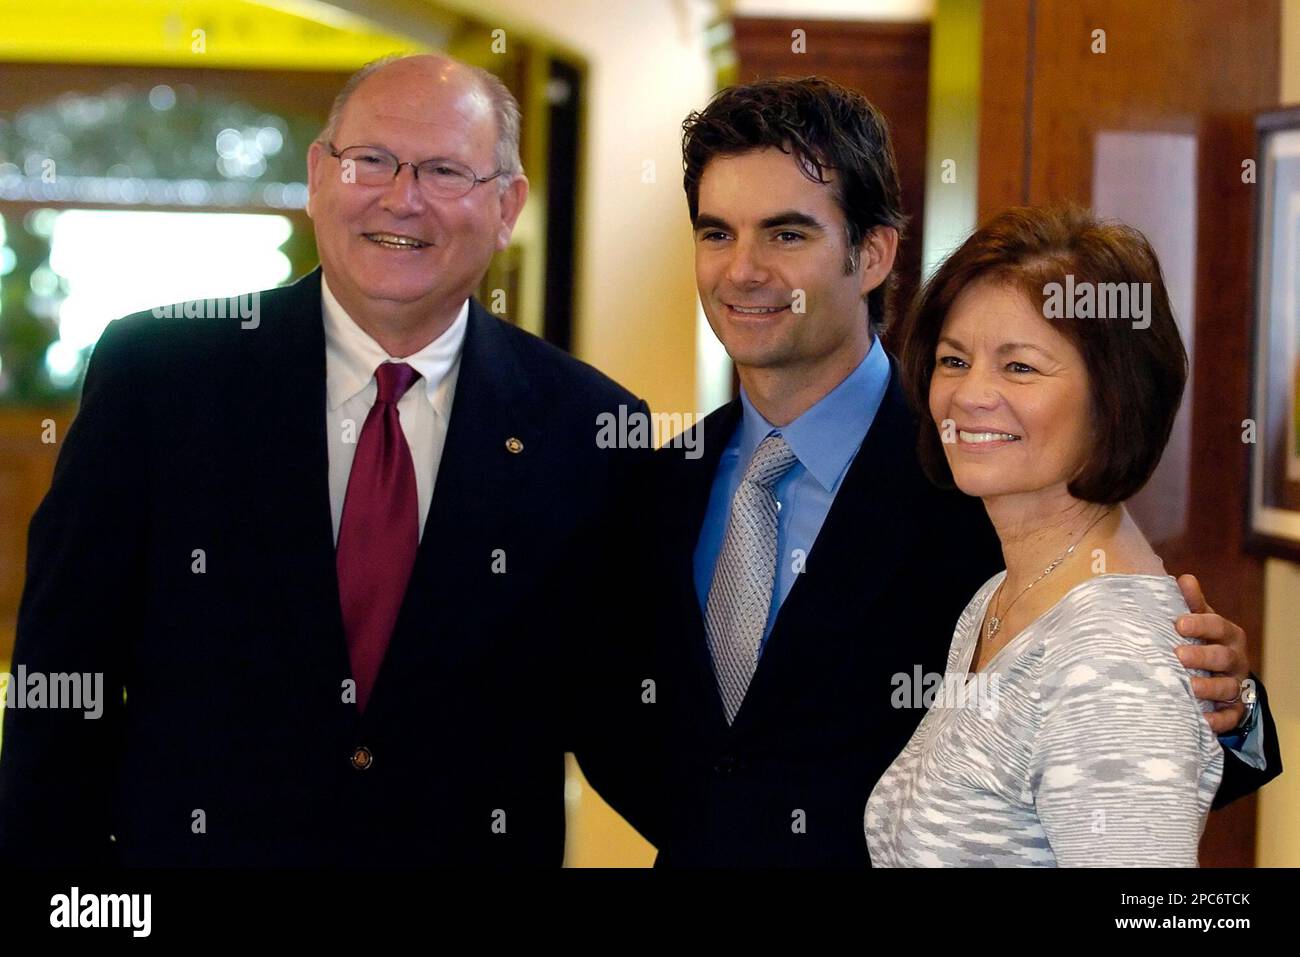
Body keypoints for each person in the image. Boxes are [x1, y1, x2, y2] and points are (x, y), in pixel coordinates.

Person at [0, 54, 653, 866]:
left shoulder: (589, 425)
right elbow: (63, 682)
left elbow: (625, 717)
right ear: (318, 174)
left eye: (445, 170)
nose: (400, 197)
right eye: (370, 160)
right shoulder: (157, 376)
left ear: (506, 205)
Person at [648, 77, 1280, 867]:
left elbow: (1123, 738)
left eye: (785, 234)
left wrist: (1232, 704)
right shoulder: (659, 479)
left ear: (872, 252)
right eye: (716, 233)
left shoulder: (983, 466)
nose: (743, 271)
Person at [867, 205, 1232, 866]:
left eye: (1020, 368)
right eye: (954, 359)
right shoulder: (996, 599)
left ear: (1113, 397)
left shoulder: (1113, 662)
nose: (970, 394)